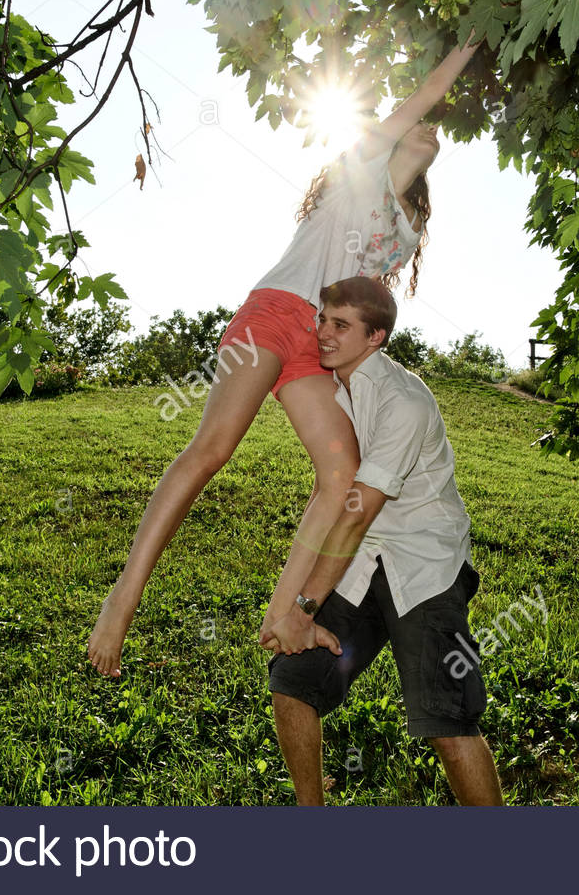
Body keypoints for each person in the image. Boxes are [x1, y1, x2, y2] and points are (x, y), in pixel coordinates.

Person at [87, 34, 482, 678]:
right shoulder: (356, 171)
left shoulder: (404, 234)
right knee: (213, 448)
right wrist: (470, 45)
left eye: (433, 134)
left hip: (320, 345)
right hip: (276, 311)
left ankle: (287, 608)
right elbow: (426, 97)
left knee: (342, 474)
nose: (428, 129)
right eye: (419, 125)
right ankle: (123, 597)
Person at [262, 277, 503, 806]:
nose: (323, 332)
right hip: (363, 563)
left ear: (376, 337)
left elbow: (355, 514)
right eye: (322, 318)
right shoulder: (337, 392)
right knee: (292, 683)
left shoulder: (404, 401)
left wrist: (303, 607)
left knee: (448, 721)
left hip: (424, 569)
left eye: (340, 325)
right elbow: (332, 498)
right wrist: (291, 607)